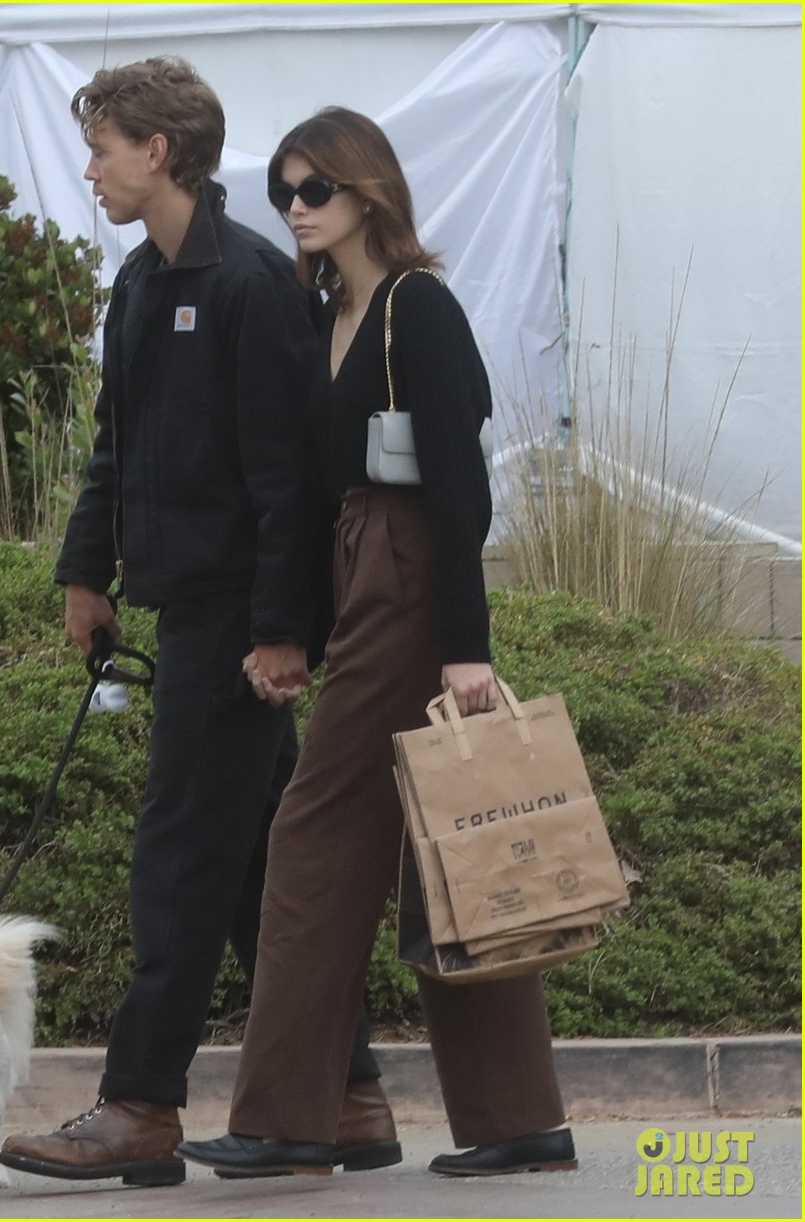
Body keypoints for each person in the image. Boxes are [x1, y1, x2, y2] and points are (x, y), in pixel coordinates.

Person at [0, 64, 400, 1189]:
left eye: (106, 148)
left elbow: (291, 483)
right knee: (248, 874)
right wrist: (87, 571)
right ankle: (354, 1097)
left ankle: (139, 1105)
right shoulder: (136, 285)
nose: (91, 169)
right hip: (184, 610)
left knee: (179, 857)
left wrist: (281, 634)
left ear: (159, 152)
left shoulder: (257, 288)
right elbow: (114, 444)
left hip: (237, 625)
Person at [177, 107, 577, 1179]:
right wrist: (295, 631)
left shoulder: (418, 308)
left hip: (409, 571)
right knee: (449, 841)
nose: (296, 211)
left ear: (370, 194)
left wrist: (466, 646)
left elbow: (457, 485)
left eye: (315, 191)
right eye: (283, 194)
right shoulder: (328, 316)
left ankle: (286, 1118)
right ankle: (517, 1118)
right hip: (361, 567)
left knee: (310, 831)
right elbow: (312, 497)